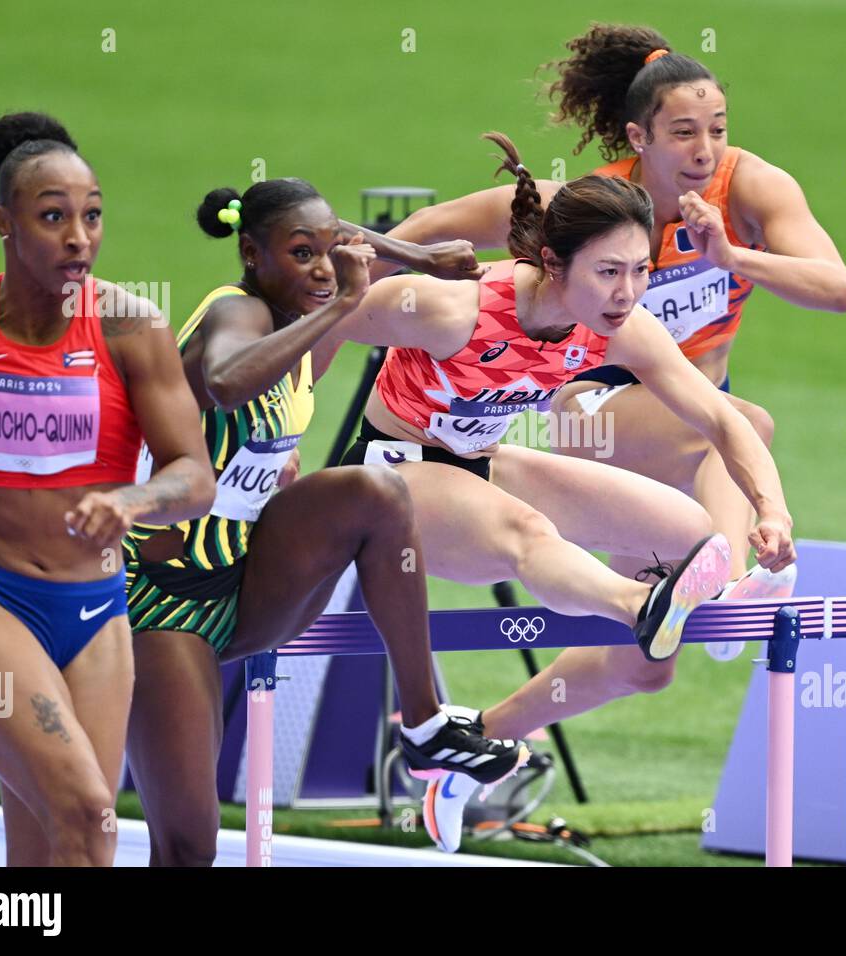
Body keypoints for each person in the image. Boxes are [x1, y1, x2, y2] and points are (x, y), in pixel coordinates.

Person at [335, 132, 798, 851]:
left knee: (691, 533)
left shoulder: (616, 327)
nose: (629, 292)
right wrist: (273, 458)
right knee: (527, 534)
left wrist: (771, 509)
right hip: (388, 476)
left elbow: (719, 418)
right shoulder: (449, 309)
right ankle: (640, 607)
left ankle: (700, 590)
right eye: (610, 271)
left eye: (641, 271)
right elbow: (319, 320)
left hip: (479, 460)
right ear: (552, 263)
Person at [374, 23, 846, 611]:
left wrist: (732, 257)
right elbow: (425, 231)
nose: (704, 150)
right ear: (639, 136)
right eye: (682, 133)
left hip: (673, 418)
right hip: (591, 412)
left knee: (640, 660)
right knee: (739, 426)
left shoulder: (746, 188)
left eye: (718, 130)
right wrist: (379, 273)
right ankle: (727, 591)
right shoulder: (581, 210)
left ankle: (502, 704)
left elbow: (838, 290)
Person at [123, 178, 526, 866]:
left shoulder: (305, 310)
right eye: (299, 253)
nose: (320, 268)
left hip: (246, 585)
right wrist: (343, 299)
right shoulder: (237, 313)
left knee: (376, 491)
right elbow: (225, 381)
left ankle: (425, 725)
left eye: (327, 253)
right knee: (188, 847)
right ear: (250, 254)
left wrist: (417, 257)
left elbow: (349, 242)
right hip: (161, 602)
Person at [0, 112, 216, 866]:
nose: (79, 237)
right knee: (86, 813)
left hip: (92, 615)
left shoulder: (129, 329)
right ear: (3, 222)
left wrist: (132, 501)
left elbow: (193, 475)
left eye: (92, 215)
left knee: (55, 851)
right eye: (53, 217)